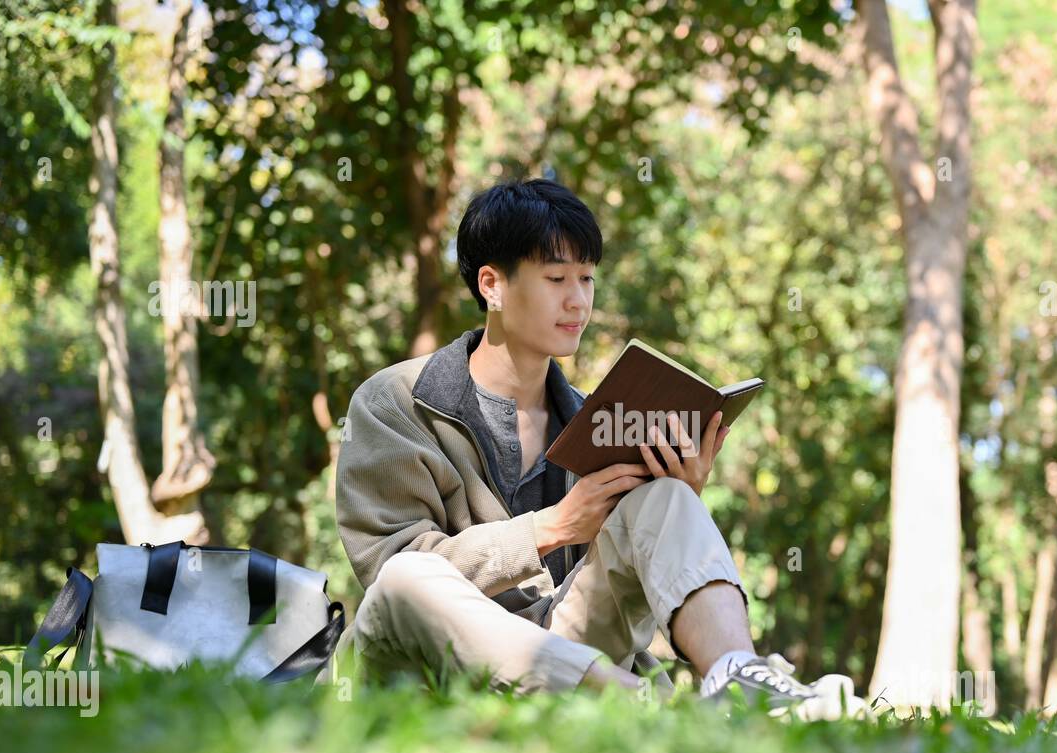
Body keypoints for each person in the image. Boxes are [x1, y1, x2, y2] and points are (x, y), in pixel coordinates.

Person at [333, 177, 869, 721]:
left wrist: (674, 496)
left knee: (664, 500)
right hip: (421, 670)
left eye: (587, 279)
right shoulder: (398, 402)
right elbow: (386, 575)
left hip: (558, 653)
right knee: (407, 577)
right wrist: (552, 528)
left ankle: (742, 684)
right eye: (557, 278)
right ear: (492, 285)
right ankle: (656, 711)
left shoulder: (601, 417)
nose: (579, 301)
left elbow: (615, 563)